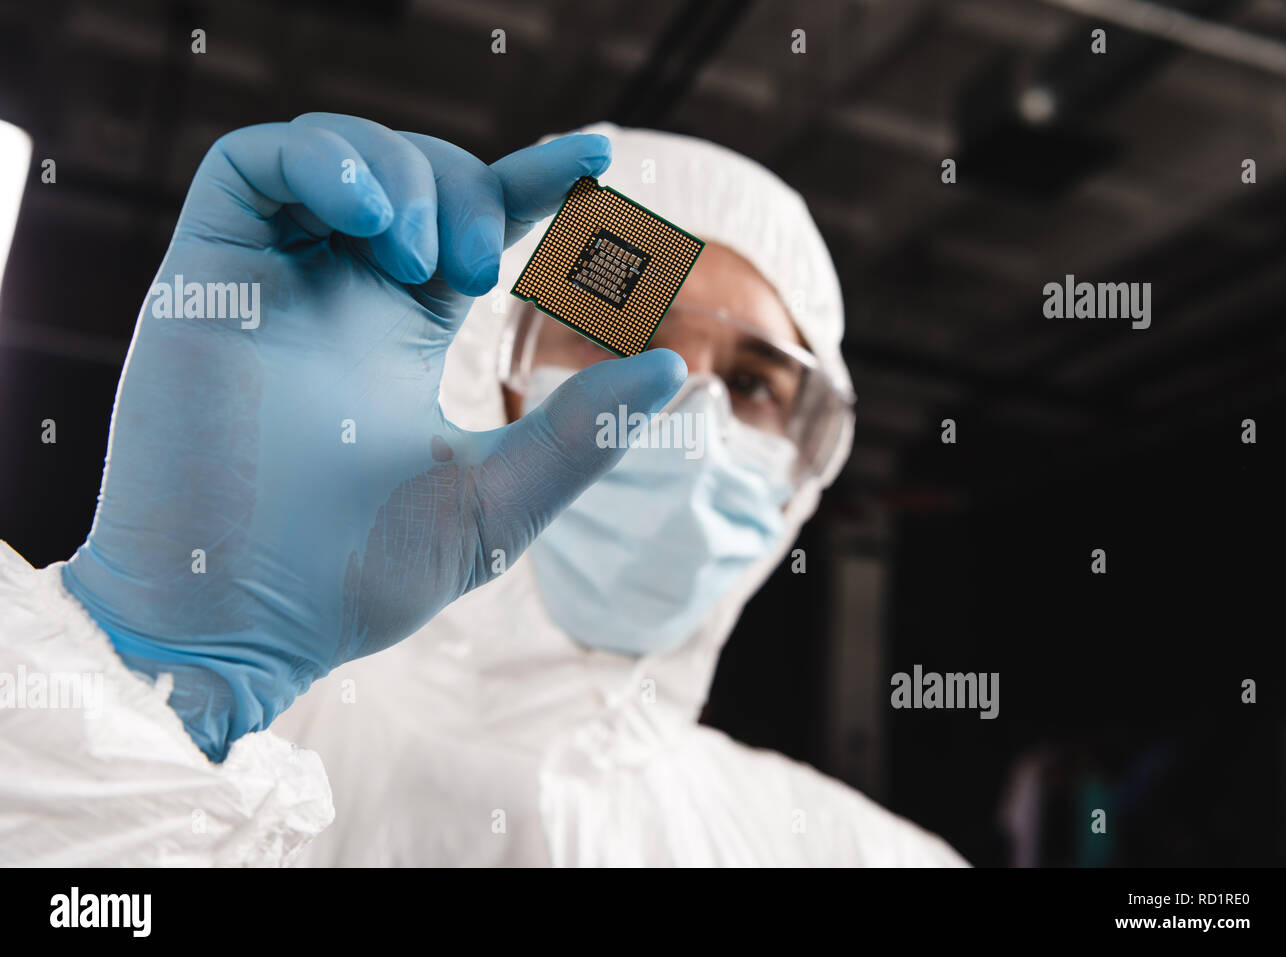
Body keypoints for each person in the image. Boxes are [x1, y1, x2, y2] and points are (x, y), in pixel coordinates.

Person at [270, 123, 967, 867]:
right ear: (486, 368)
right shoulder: (220, 775)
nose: (689, 422)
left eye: (752, 384)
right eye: (623, 338)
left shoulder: (853, 855)